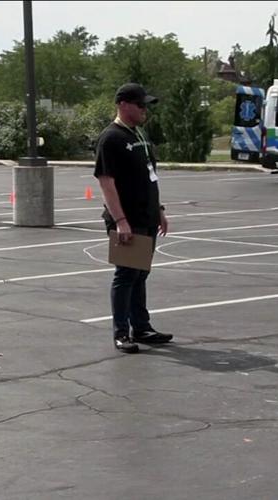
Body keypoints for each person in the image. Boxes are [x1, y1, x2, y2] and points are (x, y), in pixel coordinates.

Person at [94, 83, 173, 354]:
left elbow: (150, 175)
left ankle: (142, 327)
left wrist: (159, 210)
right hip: (127, 218)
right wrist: (120, 220)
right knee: (126, 274)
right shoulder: (111, 138)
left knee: (141, 274)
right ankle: (121, 332)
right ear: (123, 105)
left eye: (146, 105)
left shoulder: (138, 134)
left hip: (147, 215)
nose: (145, 110)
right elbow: (106, 182)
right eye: (140, 105)